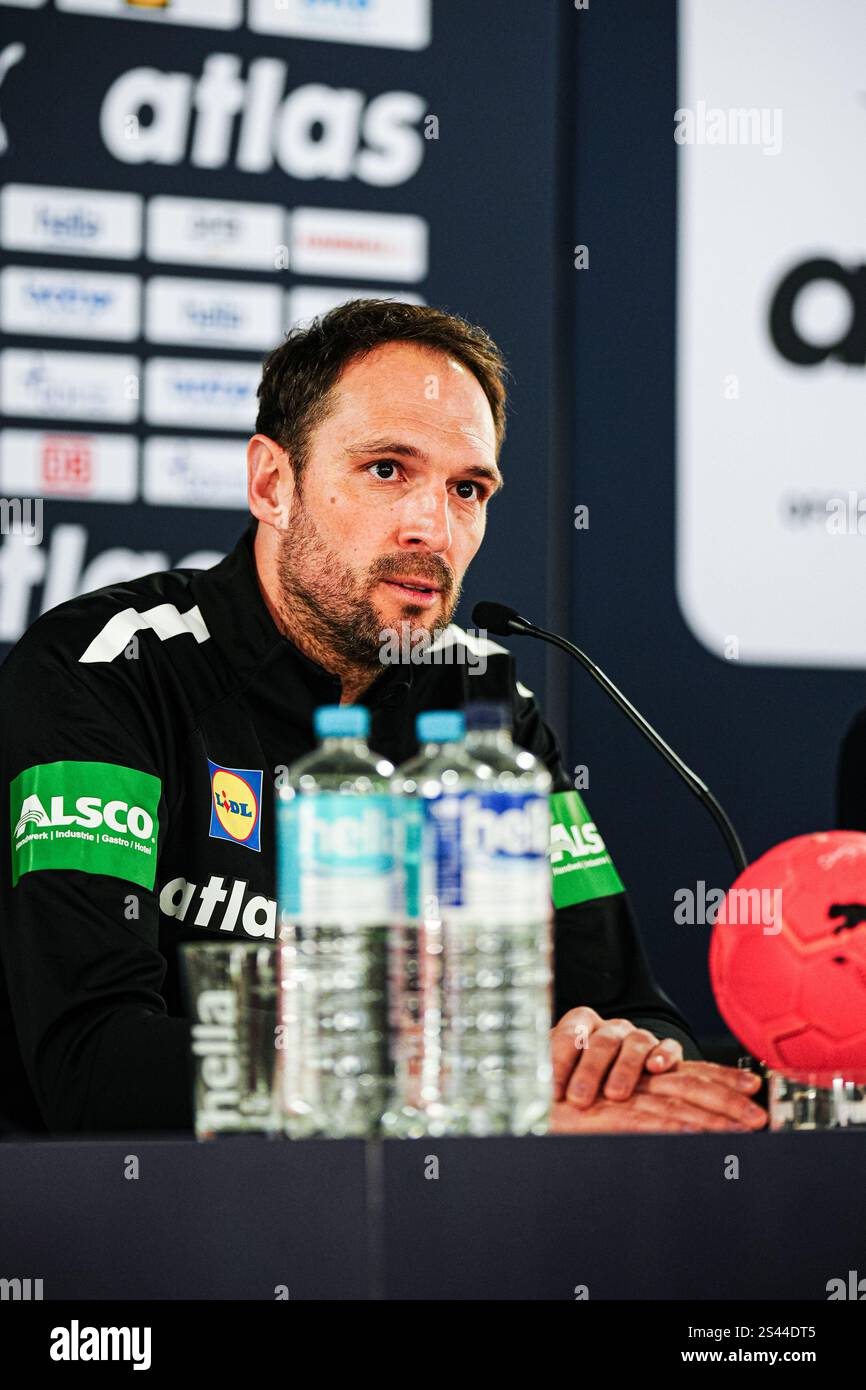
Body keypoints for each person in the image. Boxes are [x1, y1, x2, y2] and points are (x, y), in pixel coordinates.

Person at [0, 299, 766, 1135]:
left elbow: (634, 1012)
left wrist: (617, 1059)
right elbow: (92, 1065)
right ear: (273, 484)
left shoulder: (488, 709)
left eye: (467, 489)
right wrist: (477, 1097)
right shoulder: (109, 669)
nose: (432, 528)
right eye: (388, 470)